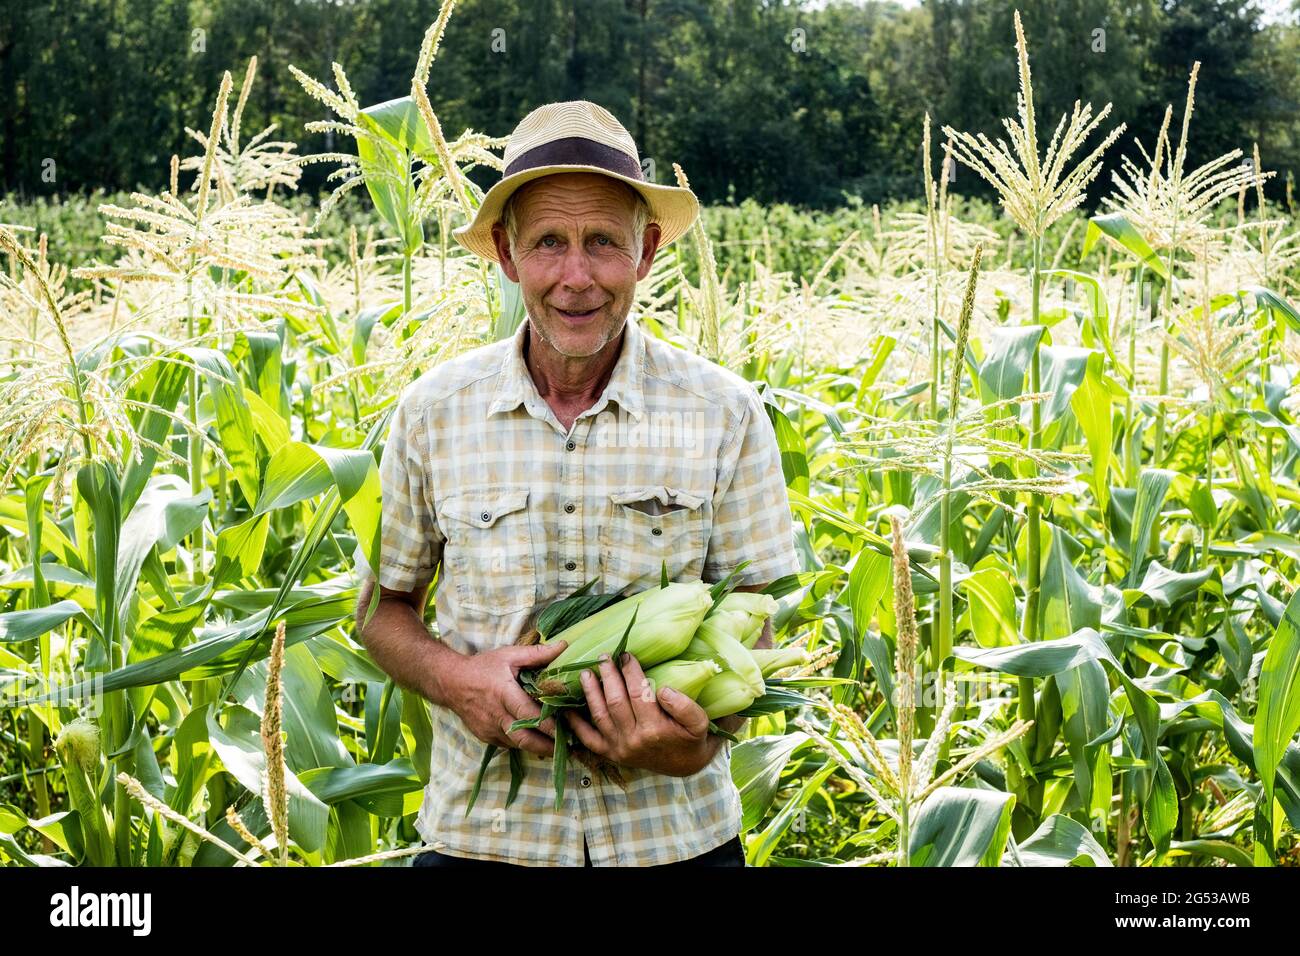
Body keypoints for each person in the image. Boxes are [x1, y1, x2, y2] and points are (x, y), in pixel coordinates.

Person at [354, 100, 799, 867]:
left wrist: (694, 746)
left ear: (647, 251)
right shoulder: (434, 412)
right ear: (505, 252)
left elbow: (754, 625)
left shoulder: (724, 413)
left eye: (602, 243)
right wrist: (461, 682)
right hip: (482, 843)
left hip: (674, 842)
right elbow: (383, 611)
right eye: (548, 243)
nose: (576, 278)